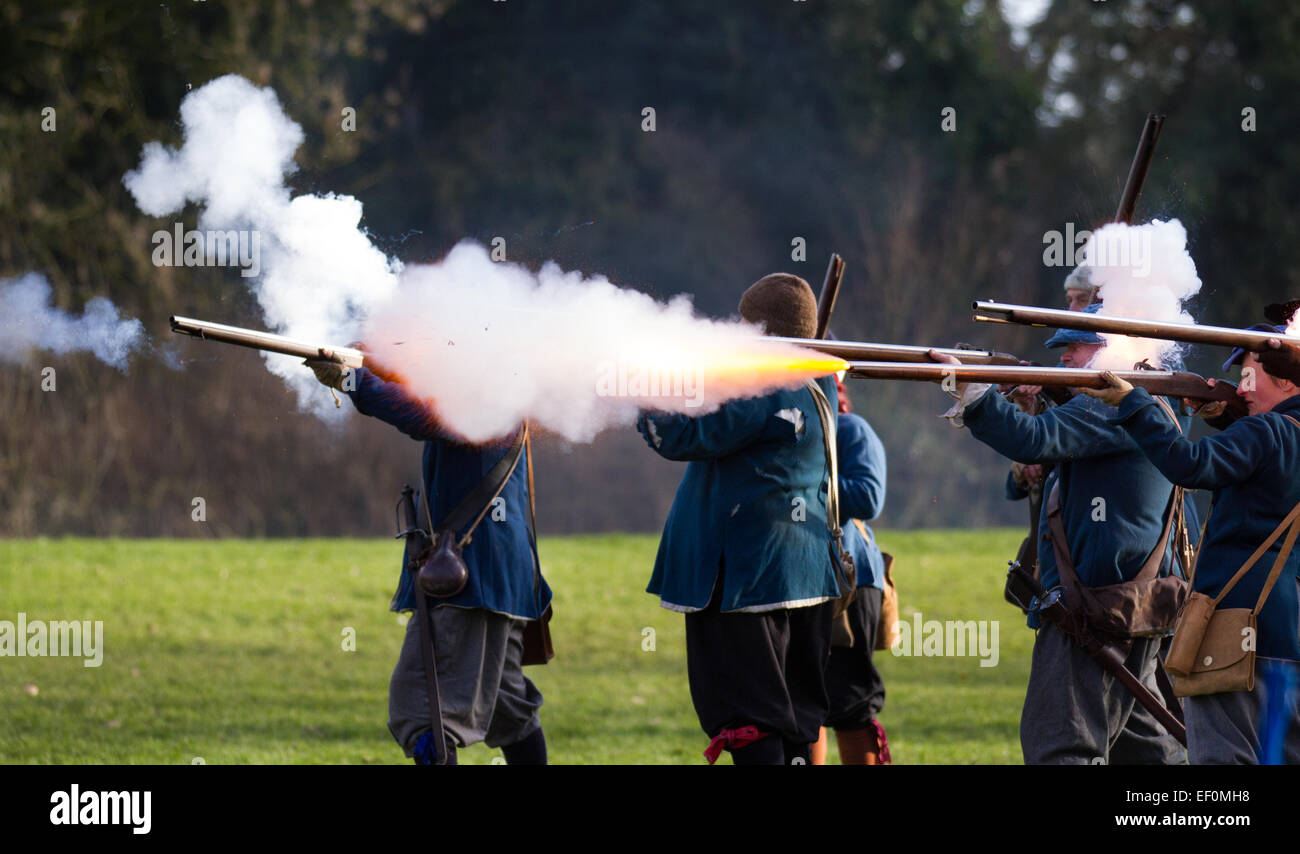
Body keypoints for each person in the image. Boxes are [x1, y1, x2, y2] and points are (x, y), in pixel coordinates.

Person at [930, 317, 1189, 765]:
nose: (1064, 357)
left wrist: (974, 391)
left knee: (1061, 748)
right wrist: (1047, 393)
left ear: (1112, 350)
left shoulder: (1113, 404)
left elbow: (1032, 440)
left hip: (1094, 612)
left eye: (1077, 348)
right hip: (1132, 604)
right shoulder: (1140, 401)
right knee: (1145, 751)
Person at [636, 272, 843, 765]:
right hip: (805, 572)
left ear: (761, 334)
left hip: (746, 577)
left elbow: (680, 435)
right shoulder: (818, 382)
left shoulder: (763, 387)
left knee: (751, 718)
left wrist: (643, 384)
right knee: (794, 718)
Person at [308, 353, 552, 765]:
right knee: (507, 708)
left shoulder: (485, 394)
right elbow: (414, 385)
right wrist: (366, 362)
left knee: (423, 711)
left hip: (474, 580)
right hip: (488, 578)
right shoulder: (494, 378)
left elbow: (422, 414)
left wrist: (355, 381)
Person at [1085, 330, 1300, 763]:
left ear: (1288, 383)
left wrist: (1135, 406)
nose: (1241, 388)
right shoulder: (1275, 434)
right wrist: (1223, 417)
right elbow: (1270, 467)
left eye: (1248, 377)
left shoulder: (1267, 431)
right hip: (1289, 635)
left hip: (1238, 630)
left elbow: (1188, 464)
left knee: (1223, 757)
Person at [812, 373, 890, 765]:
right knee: (804, 702)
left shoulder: (851, 429)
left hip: (850, 580)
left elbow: (869, 495)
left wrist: (804, 480)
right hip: (802, 577)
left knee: (849, 701)